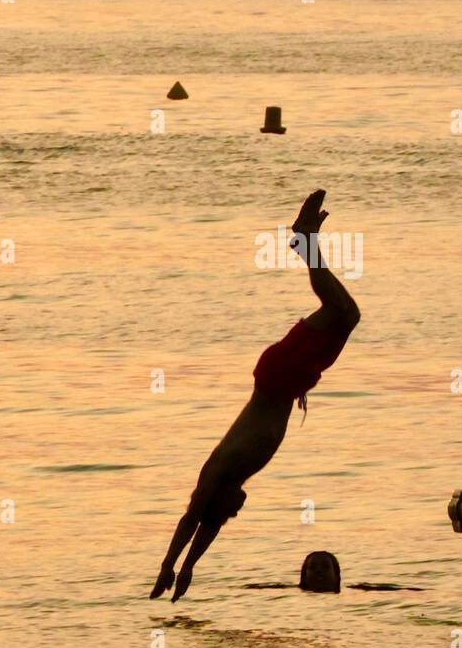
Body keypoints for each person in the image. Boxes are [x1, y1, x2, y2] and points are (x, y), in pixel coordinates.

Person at [150, 190, 360, 603]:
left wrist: (169, 565)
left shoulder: (221, 469)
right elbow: (209, 525)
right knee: (343, 313)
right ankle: (306, 240)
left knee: (345, 313)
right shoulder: (235, 479)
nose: (240, 504)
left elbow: (193, 519)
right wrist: (189, 569)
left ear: (222, 497)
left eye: (234, 505)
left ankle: (305, 240)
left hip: (280, 377)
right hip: (286, 379)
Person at [245, 552, 421, 594]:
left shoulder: (355, 589)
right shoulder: (287, 589)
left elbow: (385, 589)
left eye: (324, 568)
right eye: (313, 568)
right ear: (303, 576)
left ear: (336, 575)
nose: (319, 572)